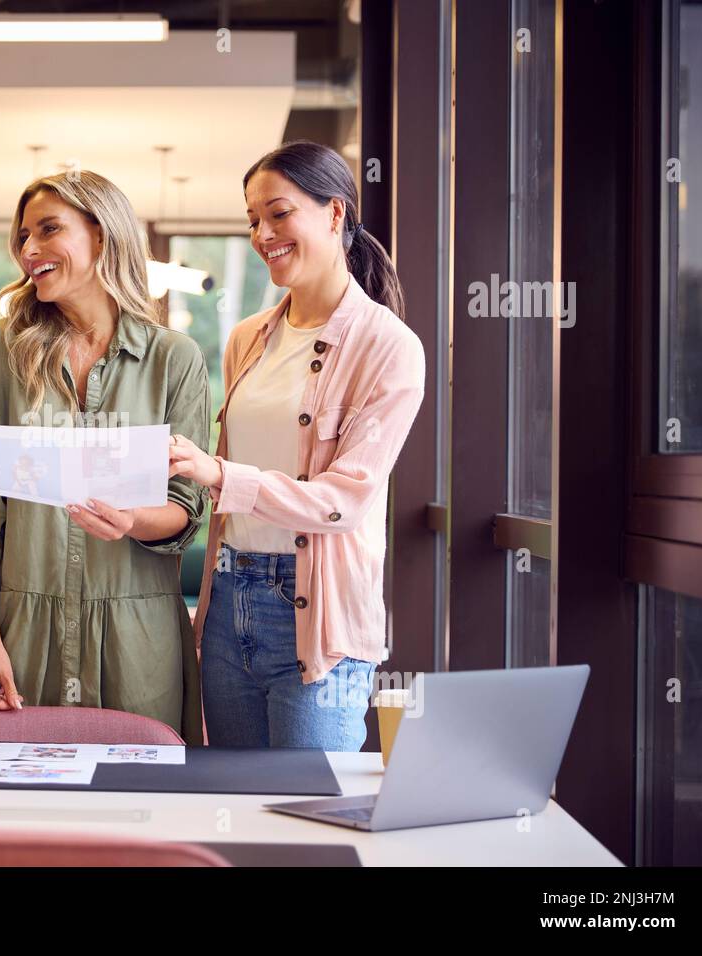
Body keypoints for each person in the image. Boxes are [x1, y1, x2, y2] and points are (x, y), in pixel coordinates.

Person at [169, 141, 425, 750]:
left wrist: (220, 475)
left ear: (335, 213)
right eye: (253, 220)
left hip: (319, 624)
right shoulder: (246, 339)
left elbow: (344, 503)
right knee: (234, 810)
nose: (263, 234)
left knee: (304, 822)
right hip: (228, 602)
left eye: (279, 214)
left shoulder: (388, 347)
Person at [0, 170, 210, 743]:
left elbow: (187, 509)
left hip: (138, 638)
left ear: (101, 235)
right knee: (10, 814)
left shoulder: (175, 359)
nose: (30, 250)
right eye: (23, 238)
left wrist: (132, 520)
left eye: (49, 230)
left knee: (144, 808)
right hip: (19, 634)